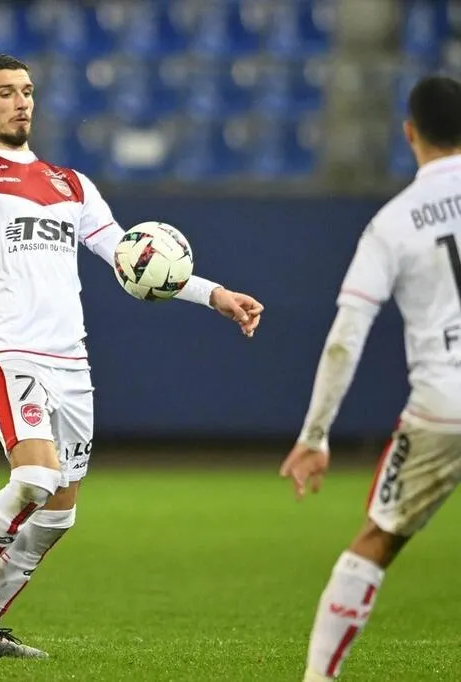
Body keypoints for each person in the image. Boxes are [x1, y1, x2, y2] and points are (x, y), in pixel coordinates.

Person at [0, 53, 265, 659]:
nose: (21, 102)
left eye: (27, 91)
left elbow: (132, 260)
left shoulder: (71, 184)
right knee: (36, 477)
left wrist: (215, 295)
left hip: (70, 364)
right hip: (7, 351)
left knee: (59, 514)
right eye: (5, 93)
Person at [279, 75, 461, 682]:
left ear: (409, 133)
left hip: (444, 404)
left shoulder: (394, 221)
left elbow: (344, 337)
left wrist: (315, 435)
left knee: (377, 541)